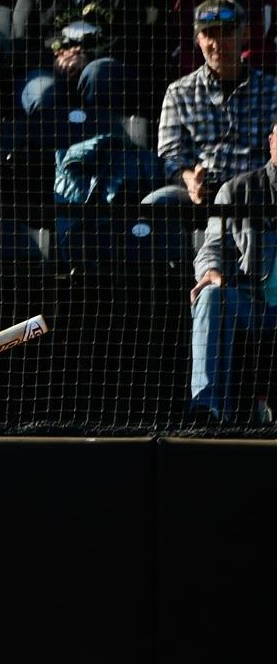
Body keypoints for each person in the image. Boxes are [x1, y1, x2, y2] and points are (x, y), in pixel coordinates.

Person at [187, 116, 277, 424]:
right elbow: (211, 246)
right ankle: (208, 411)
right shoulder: (237, 190)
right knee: (212, 298)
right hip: (252, 304)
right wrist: (211, 270)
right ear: (271, 142)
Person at [146, 0, 277, 204]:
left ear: (245, 36)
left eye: (226, 33)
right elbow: (170, 157)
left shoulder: (272, 90)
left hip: (257, 193)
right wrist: (191, 181)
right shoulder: (179, 92)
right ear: (198, 39)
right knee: (155, 204)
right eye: (209, 34)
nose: (217, 43)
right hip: (200, 193)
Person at [18, 5, 140, 115]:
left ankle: (107, 138)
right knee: (44, 95)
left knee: (99, 74)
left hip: (102, 62)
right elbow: (21, 45)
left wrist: (88, 56)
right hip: (47, 68)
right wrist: (55, 60)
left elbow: (133, 42)